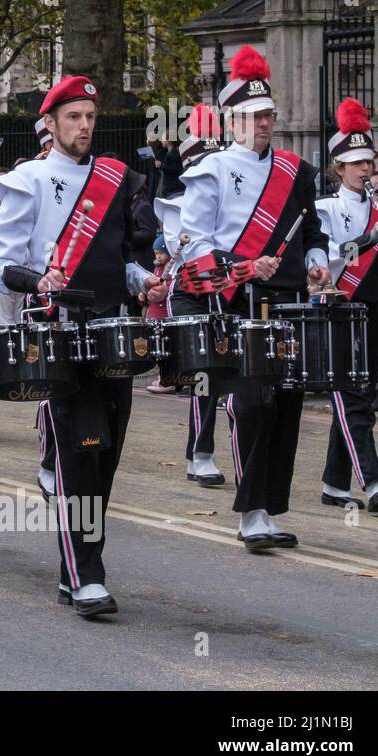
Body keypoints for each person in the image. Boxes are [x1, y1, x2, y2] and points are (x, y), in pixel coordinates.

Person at [0, 73, 166, 616]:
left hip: (114, 330)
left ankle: (76, 568)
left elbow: (125, 258)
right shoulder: (28, 180)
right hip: (60, 332)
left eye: (89, 117)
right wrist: (38, 280)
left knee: (106, 454)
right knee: (78, 452)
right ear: (51, 123)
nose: (84, 126)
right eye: (73, 118)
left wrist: (144, 282)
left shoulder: (119, 178)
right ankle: (88, 574)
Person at [174, 46, 329, 552]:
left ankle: (266, 508)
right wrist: (241, 267)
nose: (263, 124)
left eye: (268, 115)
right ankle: (250, 513)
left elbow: (314, 232)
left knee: (284, 405)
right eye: (253, 116)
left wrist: (315, 262)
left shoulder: (297, 171)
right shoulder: (211, 170)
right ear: (233, 119)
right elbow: (193, 244)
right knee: (253, 402)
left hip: (286, 302)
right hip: (237, 302)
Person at [314, 98, 378, 513]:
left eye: (369, 161)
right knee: (352, 396)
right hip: (342, 307)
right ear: (339, 166)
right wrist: (371, 238)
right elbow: (329, 258)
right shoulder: (326, 208)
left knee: (358, 391)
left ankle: (334, 482)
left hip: (377, 302)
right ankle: (373, 478)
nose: (366, 169)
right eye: (357, 163)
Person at [151, 103, 226, 485]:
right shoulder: (173, 203)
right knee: (203, 377)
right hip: (190, 291)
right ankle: (200, 451)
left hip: (230, 289)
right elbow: (180, 247)